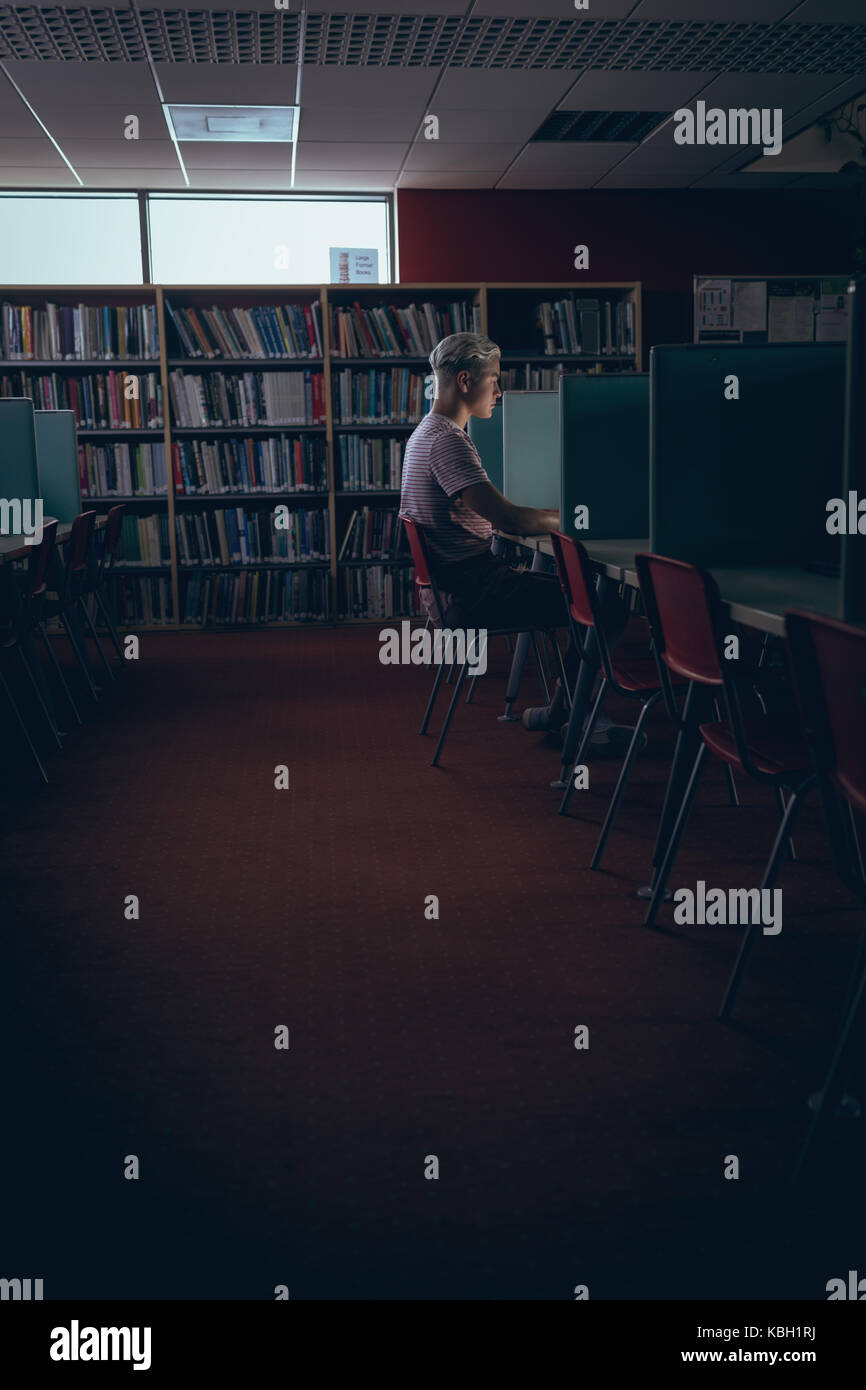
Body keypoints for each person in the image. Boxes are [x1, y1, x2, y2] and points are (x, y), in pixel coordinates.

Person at [399, 332, 633, 745]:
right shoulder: (447, 442)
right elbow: (510, 518)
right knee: (603, 607)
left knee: (577, 593)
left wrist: (529, 518)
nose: (499, 391)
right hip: (472, 591)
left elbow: (492, 515)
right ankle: (579, 723)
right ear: (467, 381)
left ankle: (563, 714)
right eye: (494, 379)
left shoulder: (425, 434)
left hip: (456, 586)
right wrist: (573, 518)